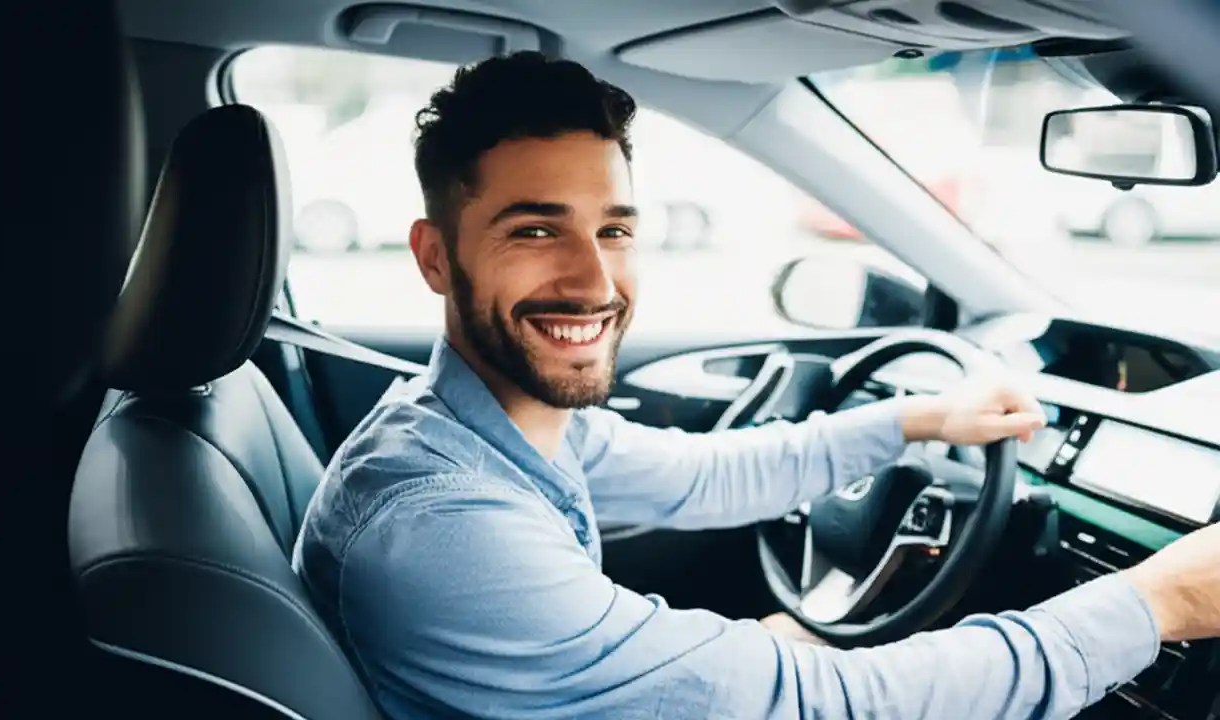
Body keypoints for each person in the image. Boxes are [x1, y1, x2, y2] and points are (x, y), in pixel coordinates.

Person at [293, 51, 1220, 719]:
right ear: (436, 259)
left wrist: (916, 421)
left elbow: (701, 478)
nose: (594, 281)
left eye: (613, 230)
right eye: (536, 231)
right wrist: (1158, 603)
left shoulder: (467, 424)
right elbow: (833, 705)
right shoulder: (442, 529)